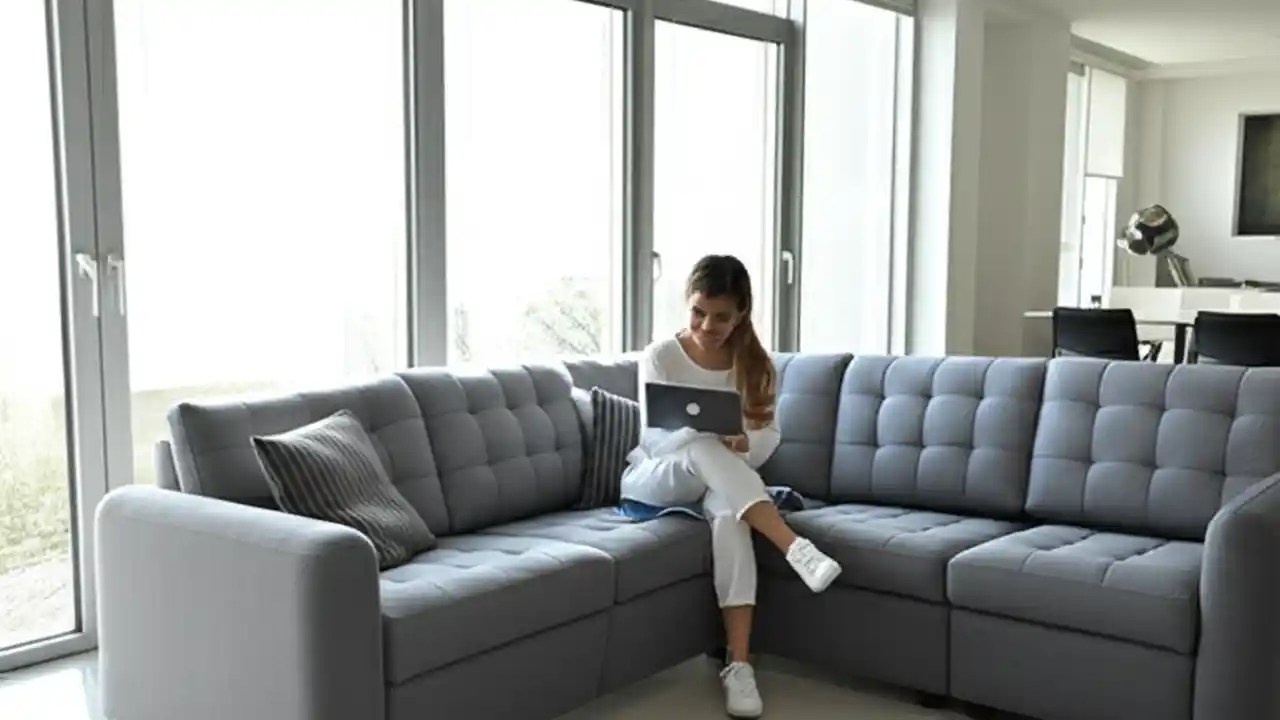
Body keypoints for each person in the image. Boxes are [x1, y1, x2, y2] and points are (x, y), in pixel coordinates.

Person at [619, 254, 842, 719]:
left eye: (721, 317)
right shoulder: (661, 355)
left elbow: (767, 438)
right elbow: (653, 440)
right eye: (698, 312)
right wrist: (702, 435)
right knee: (703, 448)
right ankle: (794, 547)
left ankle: (738, 665)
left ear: (742, 313)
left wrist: (741, 444)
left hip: (721, 476)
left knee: (730, 518)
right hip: (657, 478)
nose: (706, 325)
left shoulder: (754, 365)